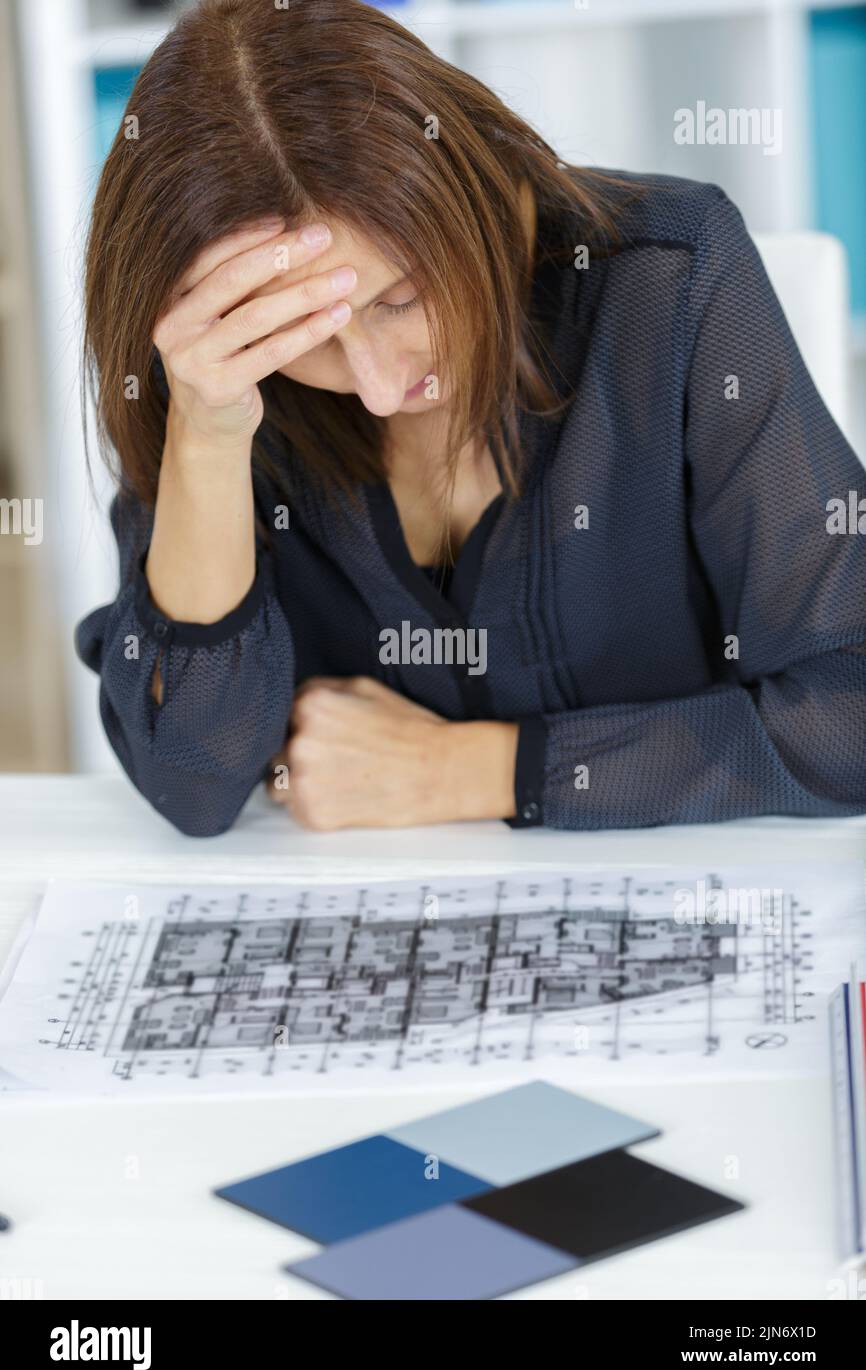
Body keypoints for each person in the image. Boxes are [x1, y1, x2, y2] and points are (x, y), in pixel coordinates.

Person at [76, 0, 866, 837]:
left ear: (480, 201)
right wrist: (206, 432)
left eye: (402, 298)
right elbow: (193, 782)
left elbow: (850, 708)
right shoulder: (220, 369)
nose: (379, 387)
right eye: (302, 338)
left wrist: (474, 770)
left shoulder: (669, 281)